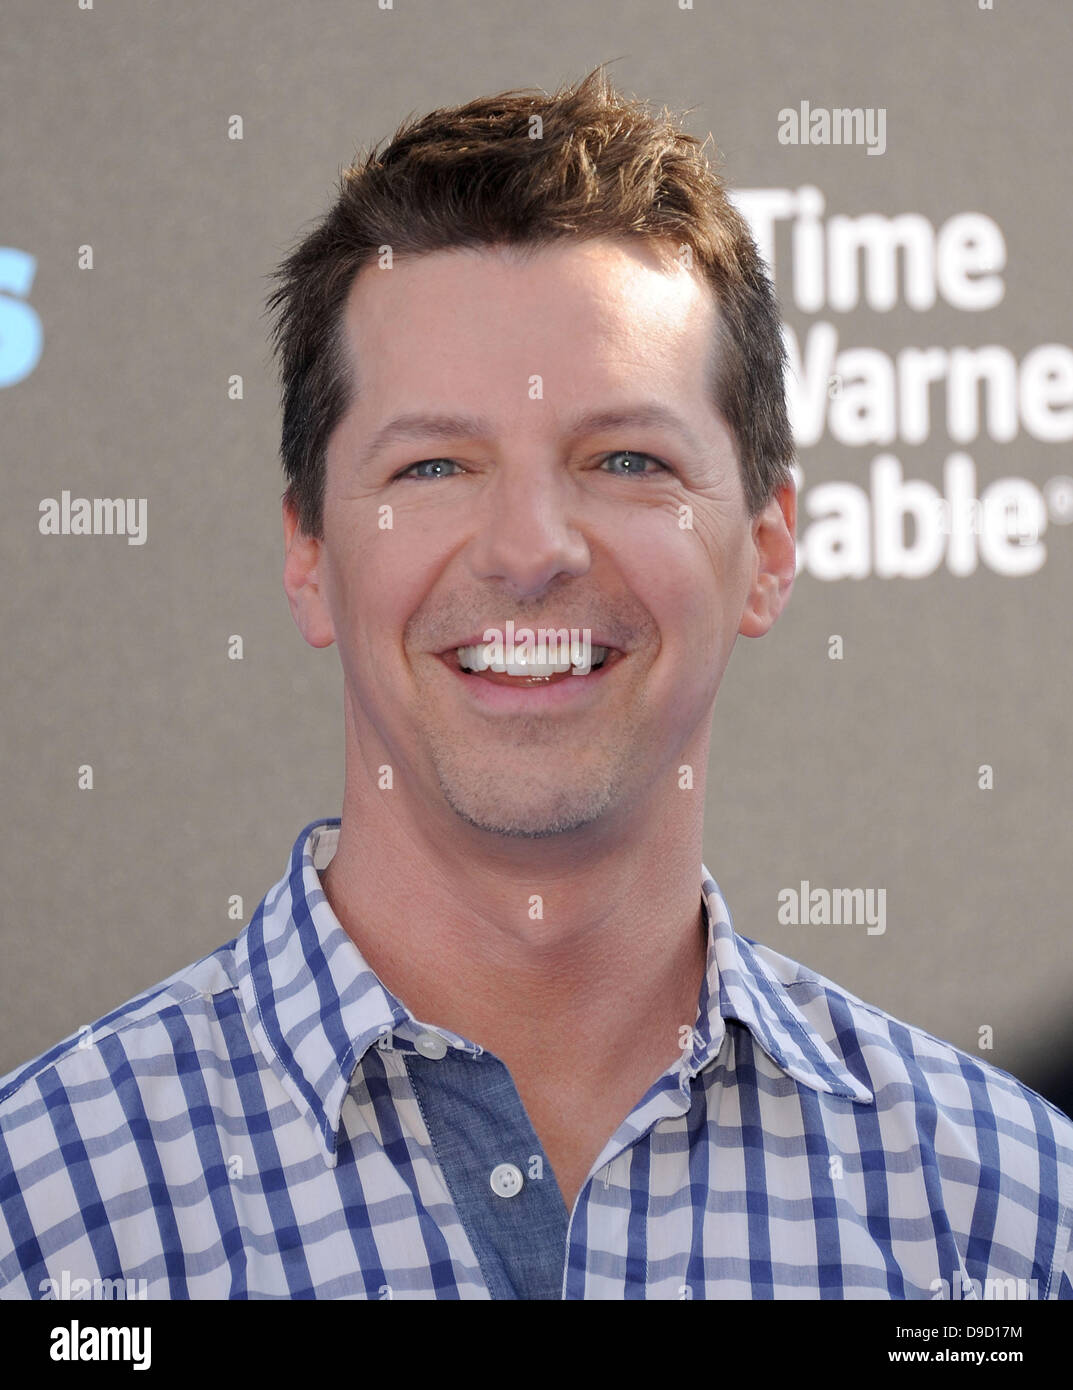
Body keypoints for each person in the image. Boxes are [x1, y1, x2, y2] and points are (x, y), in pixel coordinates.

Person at [1, 67, 1070, 1302]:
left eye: (624, 457)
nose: (528, 549)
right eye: (435, 464)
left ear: (766, 553)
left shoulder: (1007, 1222)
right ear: (307, 553)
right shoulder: (45, 1220)